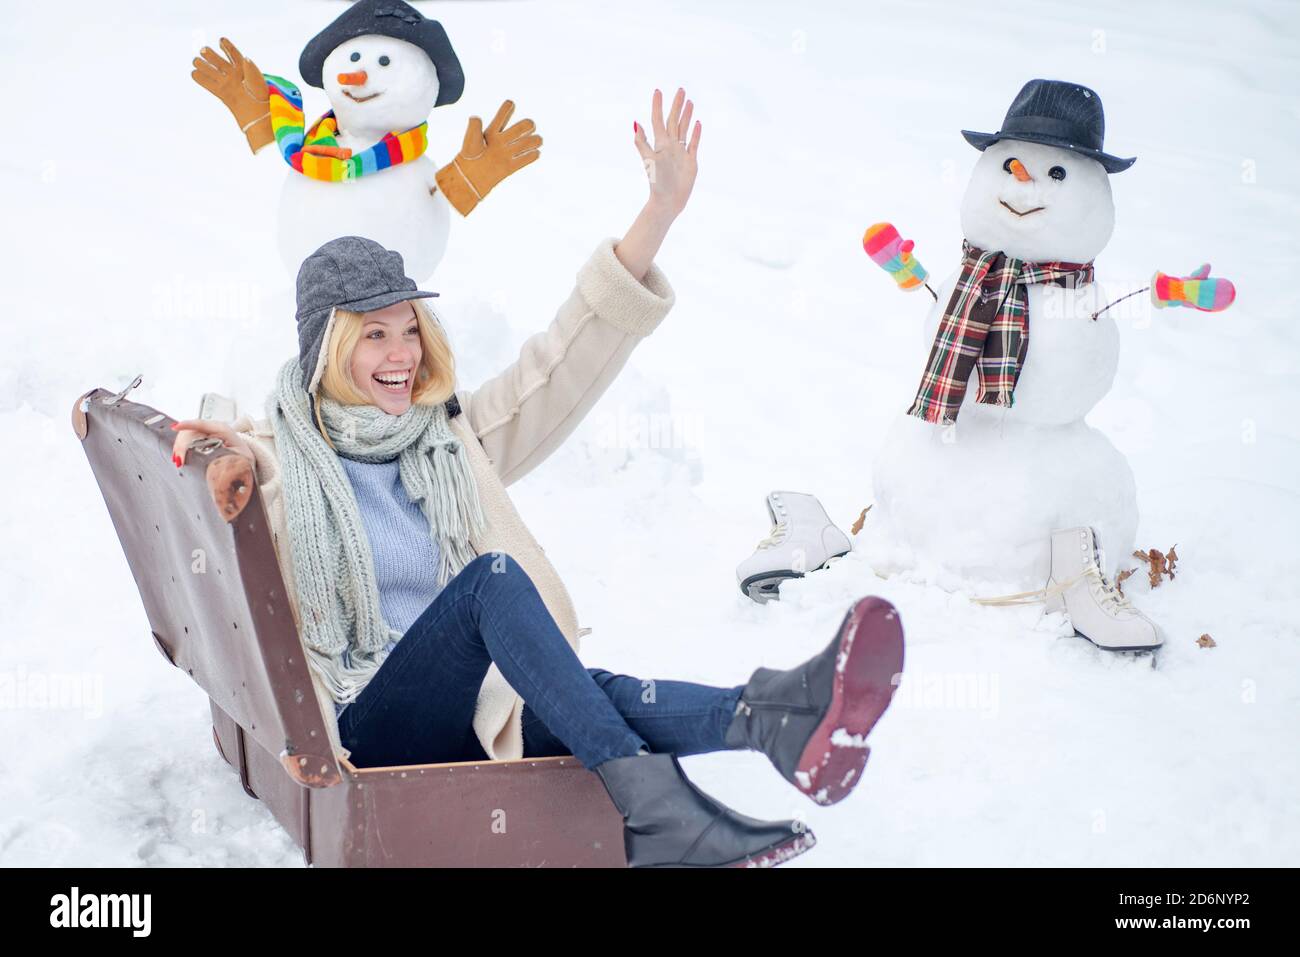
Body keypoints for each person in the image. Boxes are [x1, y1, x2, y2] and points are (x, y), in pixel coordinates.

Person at [171, 89, 905, 868]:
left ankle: (777, 716)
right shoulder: (283, 455)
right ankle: (656, 809)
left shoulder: (447, 442)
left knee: (592, 694)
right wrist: (228, 460)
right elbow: (218, 468)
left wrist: (657, 213)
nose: (400, 354)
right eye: (373, 334)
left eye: (409, 329)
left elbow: (556, 363)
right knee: (491, 582)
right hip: (362, 722)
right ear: (327, 349)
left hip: (463, 710)